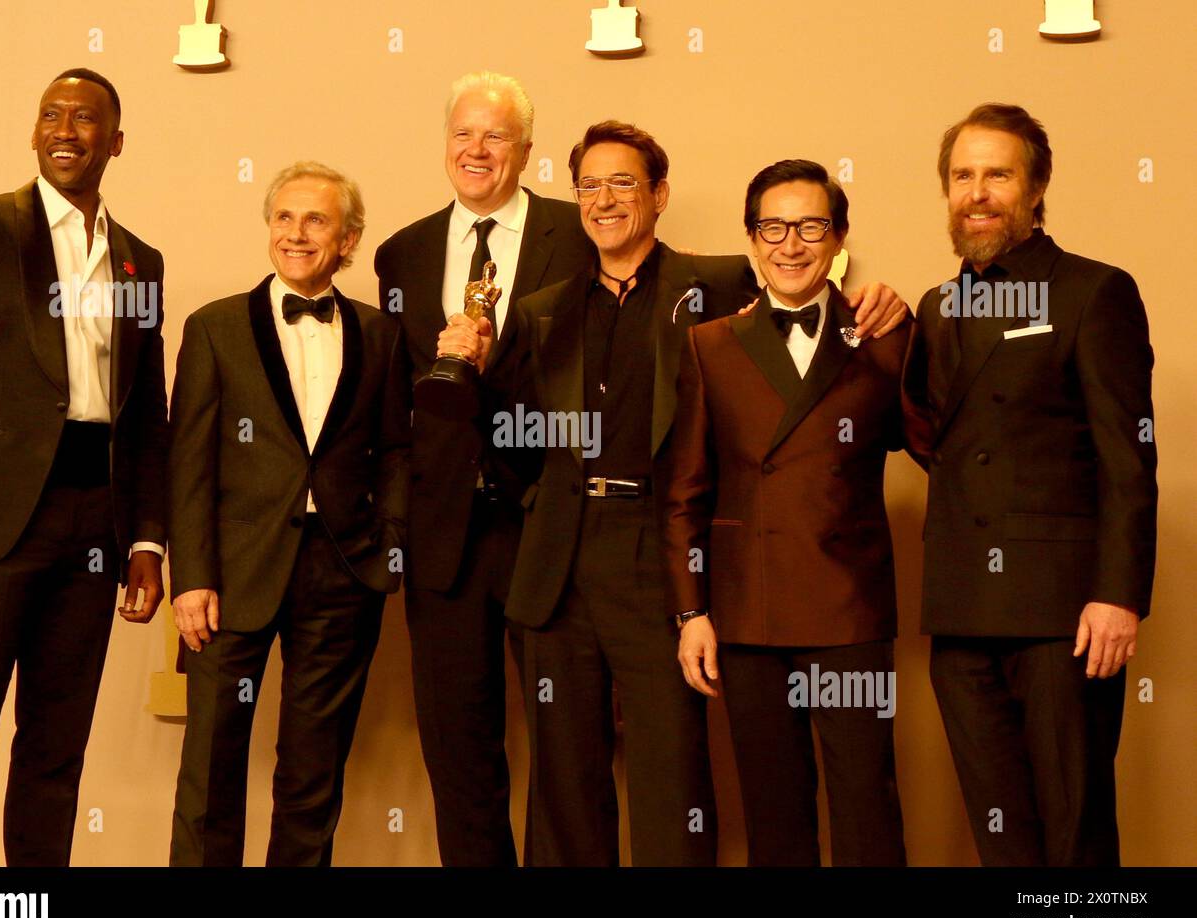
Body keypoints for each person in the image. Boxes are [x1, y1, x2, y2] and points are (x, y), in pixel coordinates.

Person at [442, 121, 908, 865]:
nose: (604, 200)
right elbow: (511, 441)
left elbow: (804, 297)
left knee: (672, 775)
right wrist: (471, 376)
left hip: (661, 549)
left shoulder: (718, 282)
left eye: (623, 182)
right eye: (589, 185)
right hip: (560, 556)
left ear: (659, 195)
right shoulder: (540, 311)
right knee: (564, 785)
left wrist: (875, 297)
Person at [0, 68, 168, 866]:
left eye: (85, 119)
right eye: (50, 115)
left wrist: (148, 541)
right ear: (33, 132)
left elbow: (146, 411)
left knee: (56, 743)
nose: (64, 129)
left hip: (97, 522)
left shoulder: (139, 262)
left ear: (114, 143)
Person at [902, 103, 1158, 865]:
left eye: (997, 175)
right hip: (961, 613)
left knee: (1073, 832)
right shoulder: (936, 308)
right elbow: (934, 442)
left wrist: (1118, 596)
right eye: (962, 176)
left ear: (1035, 187)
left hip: (1064, 614)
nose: (977, 192)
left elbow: (1128, 458)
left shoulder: (1094, 292)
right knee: (1001, 837)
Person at [661, 160, 912, 866]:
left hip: (851, 613)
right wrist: (691, 613)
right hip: (748, 614)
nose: (790, 245)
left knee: (867, 808)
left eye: (810, 227)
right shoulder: (710, 345)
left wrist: (909, 319)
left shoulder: (885, 335)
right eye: (773, 227)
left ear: (838, 239)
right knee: (775, 817)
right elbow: (684, 492)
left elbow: (939, 447)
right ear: (751, 239)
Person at [374, 71, 593, 866]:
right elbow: (399, 409)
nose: (476, 149)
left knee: (569, 749)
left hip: (548, 528)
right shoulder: (402, 251)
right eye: (463, 134)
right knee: (459, 753)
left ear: (526, 150)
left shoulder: (578, 236)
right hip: (444, 542)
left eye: (495, 136)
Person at [168, 162, 408, 866]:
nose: (296, 233)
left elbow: (396, 451)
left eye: (316, 220)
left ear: (349, 240)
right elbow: (189, 461)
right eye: (284, 217)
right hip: (229, 576)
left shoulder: (380, 333)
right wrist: (191, 576)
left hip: (342, 572)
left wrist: (386, 546)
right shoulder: (212, 328)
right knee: (210, 767)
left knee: (314, 773)